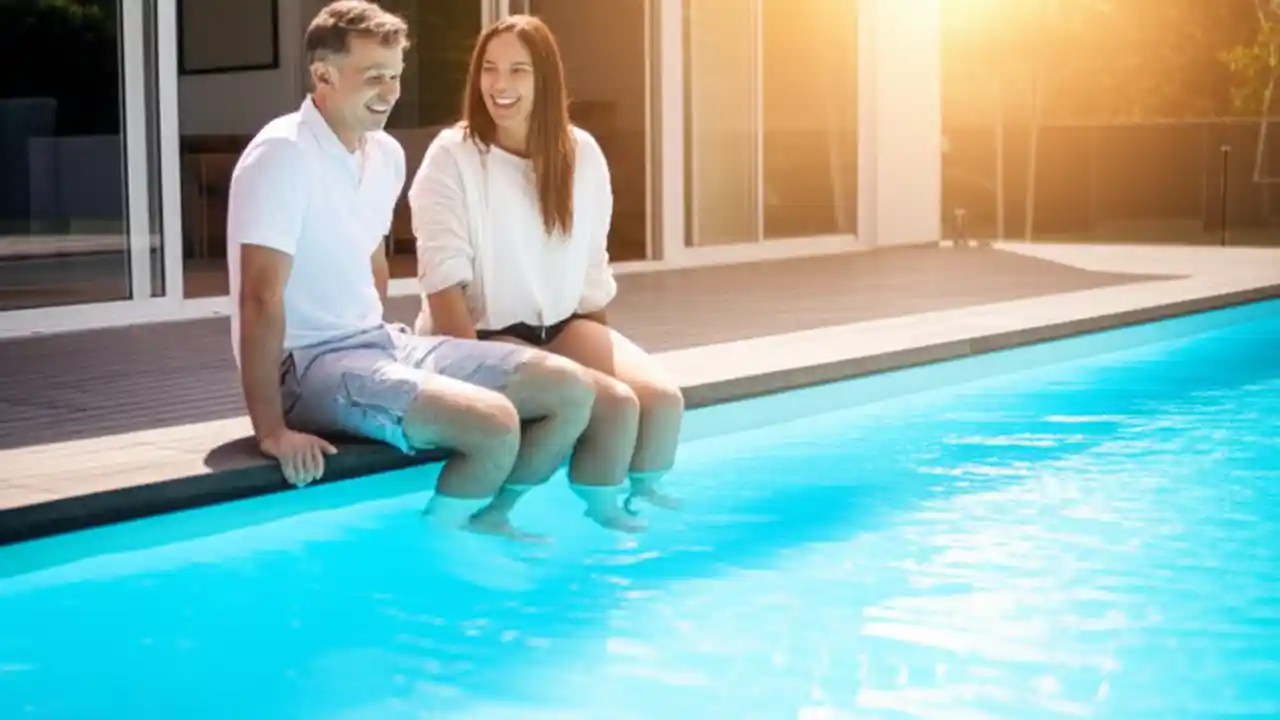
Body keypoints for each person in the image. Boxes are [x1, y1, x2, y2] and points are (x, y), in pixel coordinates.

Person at [226, 0, 600, 542]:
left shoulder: (385, 155)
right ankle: (439, 547)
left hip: (378, 342)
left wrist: (394, 357)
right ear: (323, 75)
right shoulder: (282, 155)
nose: (391, 91)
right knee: (493, 423)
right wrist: (273, 431)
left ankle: (491, 513)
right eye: (374, 76)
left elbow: (371, 264)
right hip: (305, 366)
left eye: (396, 75)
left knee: (571, 390)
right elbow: (259, 299)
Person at [407, 14, 685, 529]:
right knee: (616, 406)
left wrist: (599, 360)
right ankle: (500, 511)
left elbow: (590, 270)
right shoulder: (454, 156)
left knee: (662, 402)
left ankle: (640, 493)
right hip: (483, 334)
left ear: (546, 80)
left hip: (559, 325)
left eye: (518, 70)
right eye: (489, 69)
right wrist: (473, 382)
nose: (500, 85)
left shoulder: (581, 153)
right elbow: (443, 283)